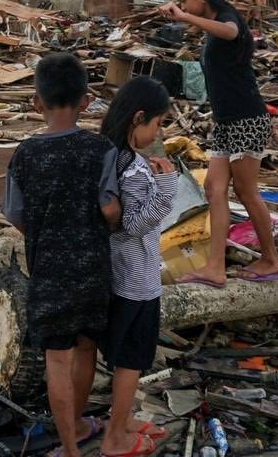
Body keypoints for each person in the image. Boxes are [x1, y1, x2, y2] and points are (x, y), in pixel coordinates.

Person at [3, 52, 119, 457]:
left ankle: (69, 447)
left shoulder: (25, 154)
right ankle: (82, 420)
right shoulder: (101, 149)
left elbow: (14, 214)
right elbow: (110, 208)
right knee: (87, 346)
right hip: (93, 268)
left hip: (48, 270)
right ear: (86, 101)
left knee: (57, 359)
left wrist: (44, 231)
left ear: (37, 103)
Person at [158, 0, 278, 286]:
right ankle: (215, 268)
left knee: (245, 190)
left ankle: (271, 259)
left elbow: (230, 31)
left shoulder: (228, 18)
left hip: (247, 118)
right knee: (214, 190)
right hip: (226, 122)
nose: (183, 6)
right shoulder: (211, 25)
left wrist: (186, 19)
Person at [98, 76, 178, 457]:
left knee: (129, 357)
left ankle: (122, 417)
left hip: (127, 271)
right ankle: (115, 437)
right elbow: (132, 224)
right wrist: (167, 189)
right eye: (158, 124)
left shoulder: (115, 156)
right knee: (131, 359)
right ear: (139, 118)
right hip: (135, 276)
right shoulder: (130, 168)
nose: (158, 132)